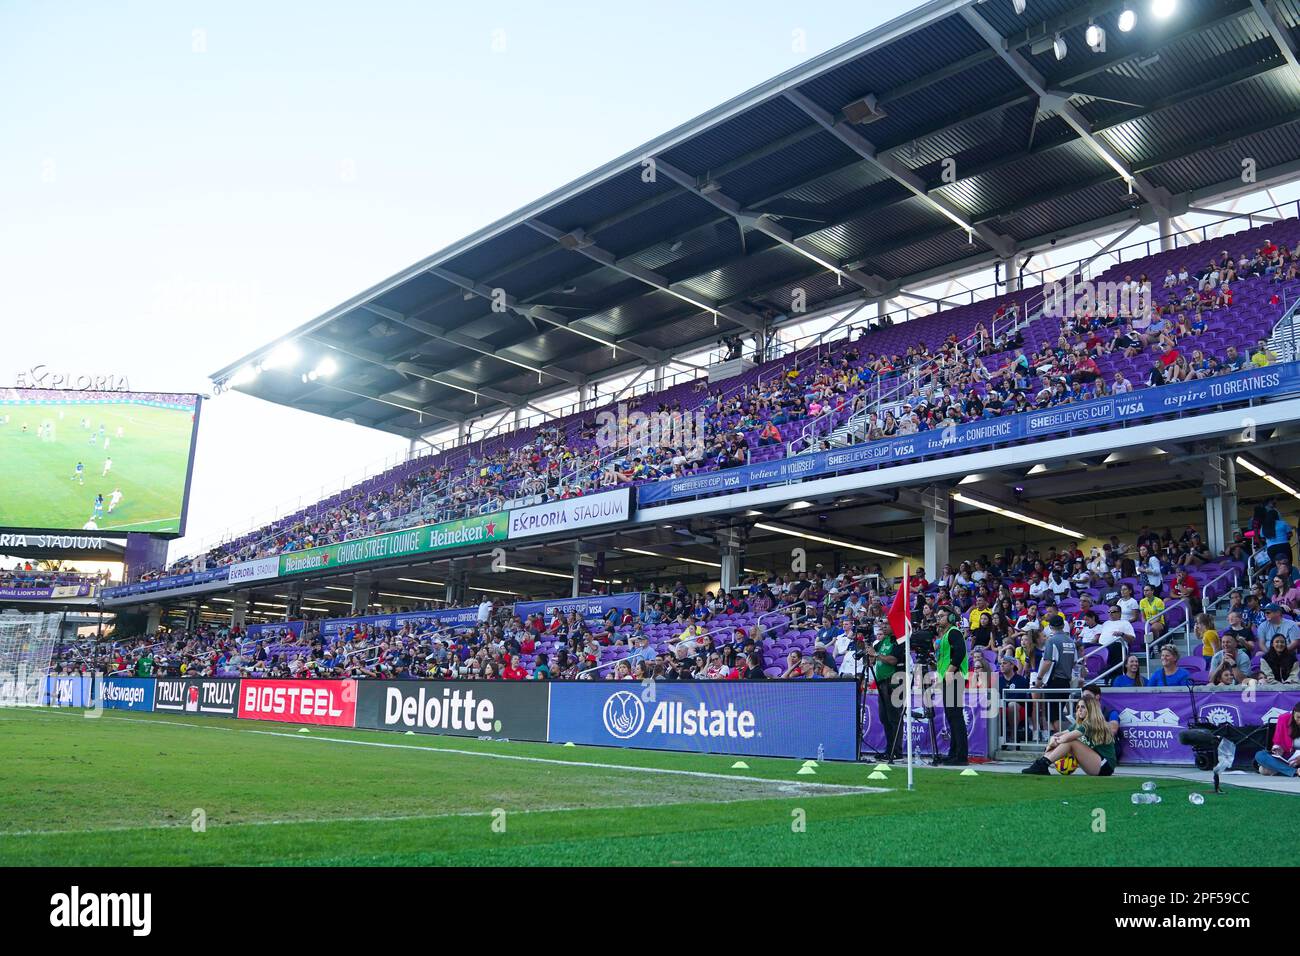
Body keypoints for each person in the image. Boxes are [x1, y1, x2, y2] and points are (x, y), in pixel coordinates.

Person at [1021, 695, 1117, 776]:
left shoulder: (1092, 723)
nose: (1079, 710)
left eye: (1083, 707)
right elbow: (1058, 734)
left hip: (1105, 764)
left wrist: (1052, 744)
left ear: (1091, 709)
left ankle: (1043, 764)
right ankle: (1041, 764)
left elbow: (1067, 738)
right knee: (1064, 740)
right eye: (1078, 707)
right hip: (1095, 762)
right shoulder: (1079, 724)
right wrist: (1052, 740)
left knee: (1071, 741)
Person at [934, 605, 969, 766]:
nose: (938, 618)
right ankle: (953, 752)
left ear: (951, 618)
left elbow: (960, 652)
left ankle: (960, 756)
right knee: (952, 717)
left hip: (953, 677)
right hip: (947, 678)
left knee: (955, 717)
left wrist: (949, 672)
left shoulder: (954, 632)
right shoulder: (946, 634)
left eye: (941, 616)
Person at [869, 620, 905, 761]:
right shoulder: (882, 641)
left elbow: (893, 660)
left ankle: (897, 751)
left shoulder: (898, 641)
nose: (883, 626)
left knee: (894, 717)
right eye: (882, 624)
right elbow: (870, 653)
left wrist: (876, 655)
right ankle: (889, 749)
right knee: (884, 717)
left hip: (895, 682)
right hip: (882, 683)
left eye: (887, 624)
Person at [1255, 700, 1300, 777]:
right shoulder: (1283, 718)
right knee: (1260, 755)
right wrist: (1278, 749)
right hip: (1288, 758)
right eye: (1298, 717)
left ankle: (1283, 770)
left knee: (1264, 770)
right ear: (1293, 714)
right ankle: (1295, 772)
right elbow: (1277, 741)